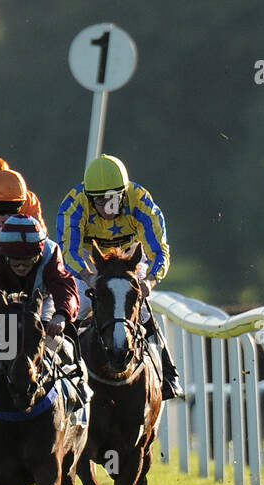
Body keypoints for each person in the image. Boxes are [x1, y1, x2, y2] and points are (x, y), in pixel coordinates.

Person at [56, 154, 181, 399]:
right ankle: (60, 372)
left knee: (141, 309)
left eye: (113, 199)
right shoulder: (73, 205)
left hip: (130, 258)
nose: (108, 207)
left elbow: (159, 250)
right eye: (100, 201)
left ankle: (167, 371)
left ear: (123, 193)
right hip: (90, 261)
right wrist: (89, 277)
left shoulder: (141, 201)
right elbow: (67, 251)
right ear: (89, 198)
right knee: (76, 308)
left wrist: (150, 282)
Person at [0, 215, 87, 410]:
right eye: (15, 262)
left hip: (43, 302)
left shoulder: (51, 253)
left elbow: (65, 287)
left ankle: (79, 387)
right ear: (5, 255)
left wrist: (62, 315)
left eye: (29, 261)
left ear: (39, 254)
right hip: (8, 306)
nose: (22, 267)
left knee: (63, 345)